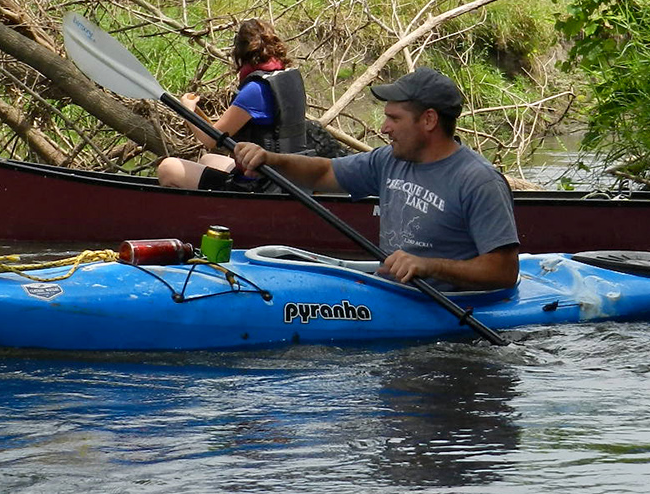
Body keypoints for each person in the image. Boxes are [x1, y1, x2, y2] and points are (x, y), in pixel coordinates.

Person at [232, 66, 521, 290]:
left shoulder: (479, 181)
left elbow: (504, 272)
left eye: (394, 119)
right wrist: (269, 159)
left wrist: (429, 266)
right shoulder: (389, 160)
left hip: (449, 308)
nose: (384, 129)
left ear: (429, 120)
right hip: (395, 293)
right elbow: (324, 171)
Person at [156, 18, 309, 191]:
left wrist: (187, 111)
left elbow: (210, 140)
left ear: (241, 52)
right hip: (288, 175)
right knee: (208, 160)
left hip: (263, 184)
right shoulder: (286, 78)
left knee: (168, 168)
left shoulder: (255, 90)